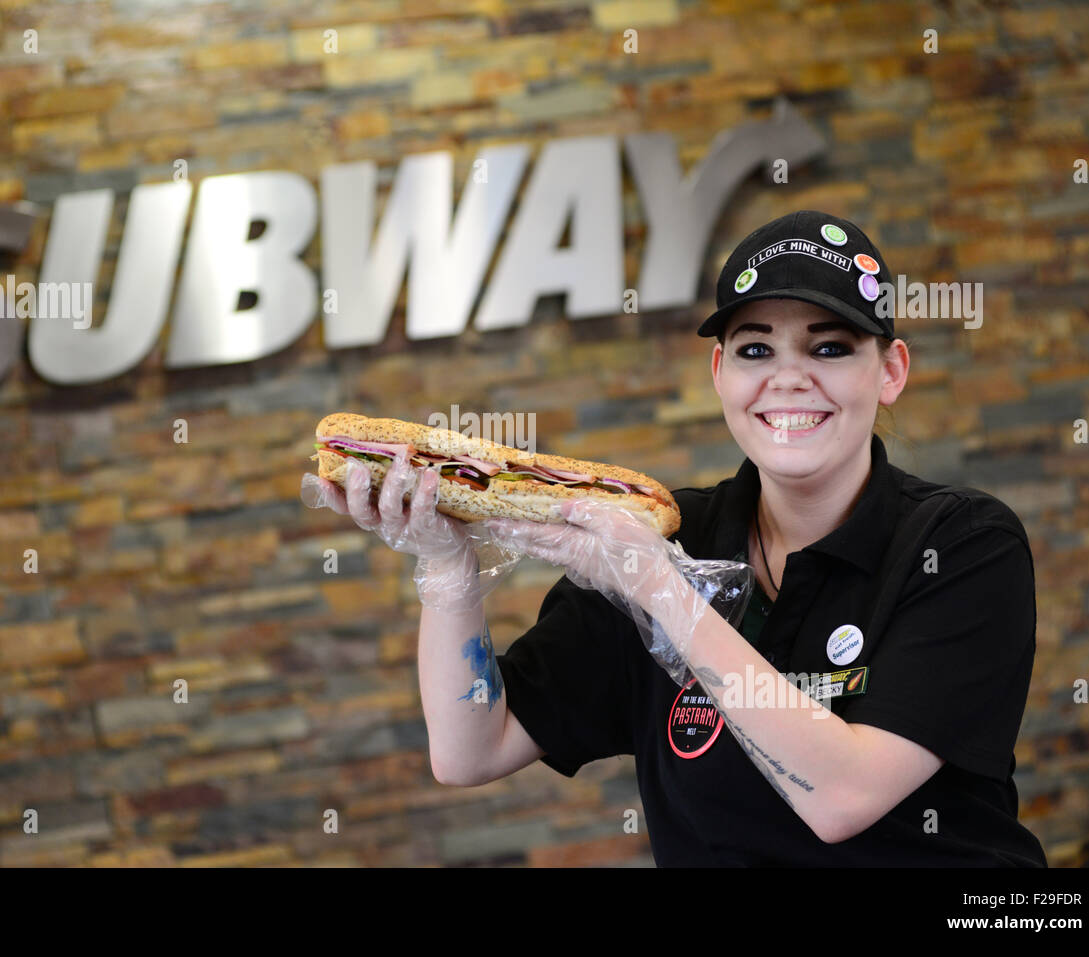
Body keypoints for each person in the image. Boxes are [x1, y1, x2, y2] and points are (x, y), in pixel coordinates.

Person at [304, 209, 1047, 867]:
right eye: (756, 350)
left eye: (829, 348)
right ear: (720, 372)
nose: (789, 379)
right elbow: (471, 749)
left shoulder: (961, 544)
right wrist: (446, 569)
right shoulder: (671, 532)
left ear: (891, 370)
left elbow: (841, 796)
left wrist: (661, 589)